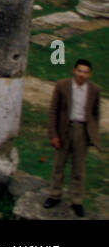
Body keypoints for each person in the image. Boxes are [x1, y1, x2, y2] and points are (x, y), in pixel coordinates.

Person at [45, 59, 100, 216]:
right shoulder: (62, 86)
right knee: (59, 165)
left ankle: (77, 201)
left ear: (90, 74)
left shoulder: (95, 90)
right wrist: (54, 135)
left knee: (79, 168)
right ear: (74, 71)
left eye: (86, 72)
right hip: (64, 129)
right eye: (80, 71)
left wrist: (91, 134)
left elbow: (95, 114)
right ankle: (54, 195)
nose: (82, 74)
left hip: (81, 130)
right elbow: (53, 111)